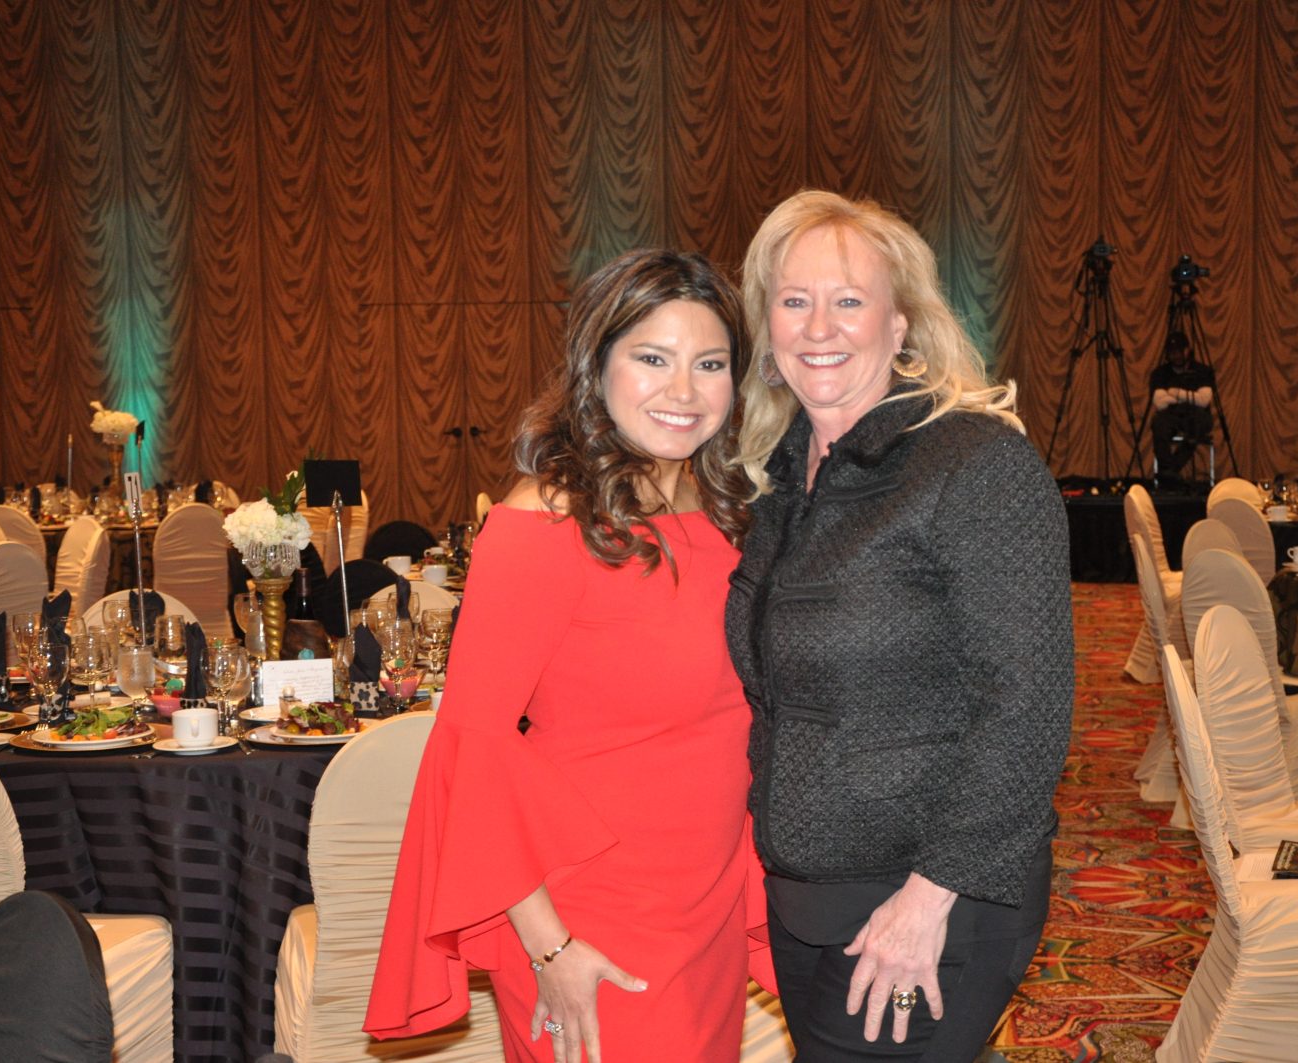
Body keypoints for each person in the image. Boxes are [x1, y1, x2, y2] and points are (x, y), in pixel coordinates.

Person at [364, 249, 771, 1062]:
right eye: (652, 358)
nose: (684, 390)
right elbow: (471, 749)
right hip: (593, 918)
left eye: (710, 363)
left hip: (709, 895)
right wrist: (550, 949)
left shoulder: (721, 507)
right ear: (598, 366)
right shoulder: (545, 522)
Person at [726, 190, 1073, 1061]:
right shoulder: (775, 480)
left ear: (903, 324)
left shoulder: (974, 461)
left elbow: (1027, 705)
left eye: (849, 300)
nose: (819, 326)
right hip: (807, 896)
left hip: (930, 895)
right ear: (766, 329)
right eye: (794, 300)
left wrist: (929, 895)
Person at [1148, 330, 1215, 485]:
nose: (1176, 356)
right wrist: (1190, 396)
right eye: (1172, 353)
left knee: (1197, 426)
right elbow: (1159, 402)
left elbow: (1204, 400)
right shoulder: (1160, 373)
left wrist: (1174, 392)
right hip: (1171, 414)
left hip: (1198, 414)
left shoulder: (1202, 371)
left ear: (1187, 350)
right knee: (1159, 424)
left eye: (1179, 351)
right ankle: (1168, 470)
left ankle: (1169, 471)